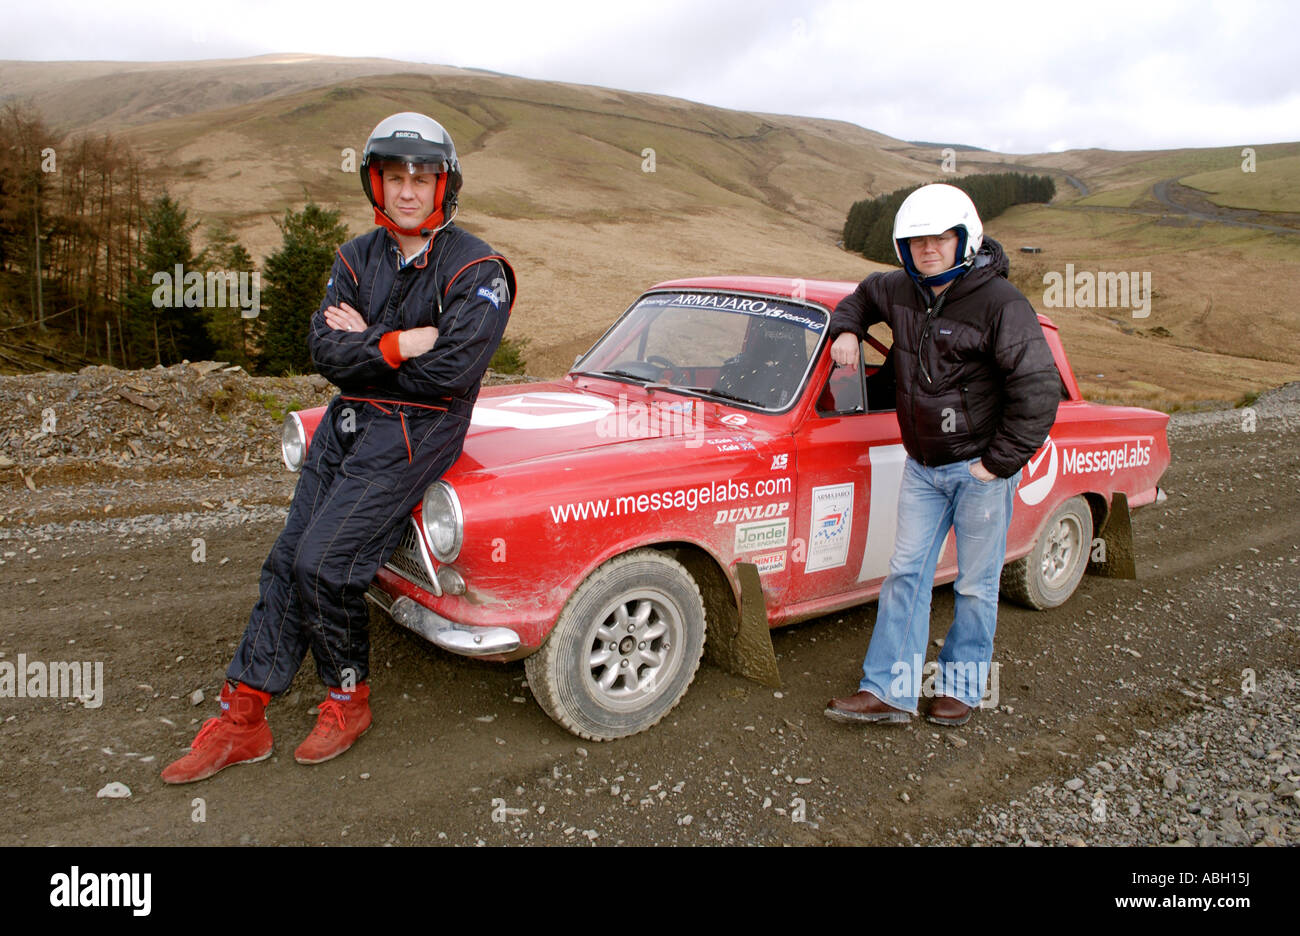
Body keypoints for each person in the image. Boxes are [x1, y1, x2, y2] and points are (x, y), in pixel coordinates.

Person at [162, 112, 516, 782]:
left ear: (444, 185)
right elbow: (327, 352)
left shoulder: (480, 268)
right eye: (394, 176)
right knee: (287, 559)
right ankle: (244, 715)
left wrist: (370, 342)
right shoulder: (355, 257)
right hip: (350, 418)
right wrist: (407, 339)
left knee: (326, 563)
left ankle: (348, 699)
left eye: (422, 177)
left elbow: (451, 371)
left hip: (420, 428)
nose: (408, 190)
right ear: (374, 182)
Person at [823, 183, 1058, 727]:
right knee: (906, 575)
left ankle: (962, 689)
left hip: (979, 471)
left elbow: (1037, 391)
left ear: (964, 240)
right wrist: (847, 330)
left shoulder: (1001, 304)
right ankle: (889, 692)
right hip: (922, 469)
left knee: (975, 585)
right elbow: (860, 296)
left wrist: (996, 463)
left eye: (940, 239)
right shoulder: (900, 289)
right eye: (916, 241)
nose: (928, 250)